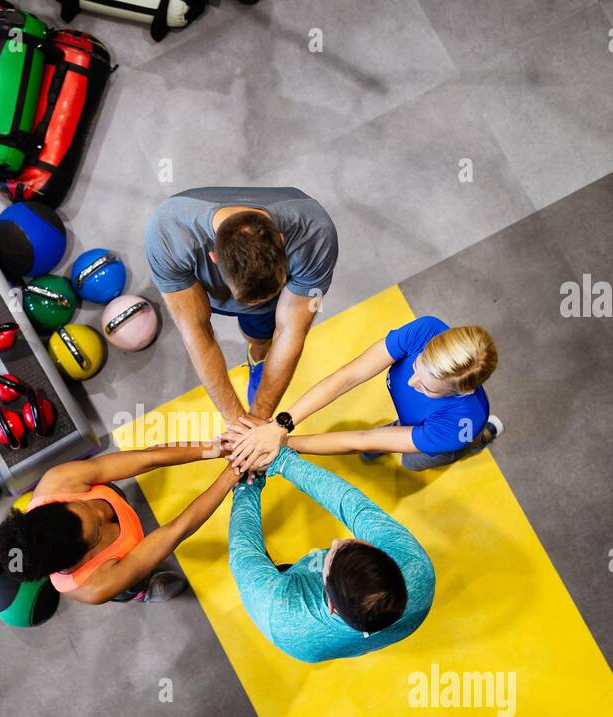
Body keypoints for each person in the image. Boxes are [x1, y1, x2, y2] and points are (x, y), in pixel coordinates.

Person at [144, 186, 338, 420]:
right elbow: (196, 330)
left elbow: (292, 330)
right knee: (201, 323)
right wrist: (236, 422)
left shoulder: (316, 234)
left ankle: (258, 358)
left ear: (282, 240)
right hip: (200, 288)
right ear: (214, 257)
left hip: (273, 304)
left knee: (259, 337)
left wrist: (259, 415)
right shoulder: (168, 232)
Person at [227, 445, 434, 663]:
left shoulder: (278, 612)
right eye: (352, 544)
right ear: (390, 560)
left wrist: (247, 485)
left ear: (331, 605)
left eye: (330, 558)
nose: (335, 542)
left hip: (297, 625)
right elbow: (351, 505)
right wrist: (281, 459)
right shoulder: (416, 567)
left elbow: (244, 547)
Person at [225, 315, 503, 474]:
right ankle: (396, 434)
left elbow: (362, 439)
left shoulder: (455, 427)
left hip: (446, 438)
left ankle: (478, 440)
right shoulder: (425, 330)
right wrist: (280, 426)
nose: (411, 382)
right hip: (415, 423)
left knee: (411, 463)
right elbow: (349, 376)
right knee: (387, 436)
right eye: (417, 366)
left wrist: (282, 444)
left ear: (462, 390)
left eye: (427, 387)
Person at [0, 442, 238, 605]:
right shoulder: (96, 585)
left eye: (86, 506)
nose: (102, 512)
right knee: (130, 586)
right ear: (84, 555)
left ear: (57, 503)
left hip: (107, 499)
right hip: (118, 575)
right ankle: (142, 590)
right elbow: (176, 530)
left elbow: (149, 458)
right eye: (97, 529)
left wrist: (218, 448)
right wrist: (232, 473)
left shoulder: (57, 482)